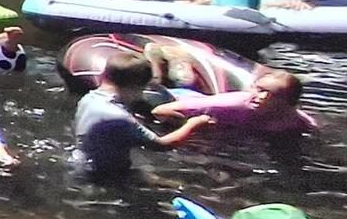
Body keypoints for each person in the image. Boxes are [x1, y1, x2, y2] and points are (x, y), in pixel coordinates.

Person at [75, 54, 206, 180]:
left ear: (104, 76)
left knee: (148, 177)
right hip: (107, 176)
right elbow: (162, 145)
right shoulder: (120, 118)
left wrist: (150, 113)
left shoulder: (88, 99)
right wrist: (193, 123)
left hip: (82, 164)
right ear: (136, 87)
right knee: (175, 185)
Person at [152, 66, 317, 141]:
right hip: (178, 98)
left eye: (273, 95)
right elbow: (160, 110)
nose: (261, 97)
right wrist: (194, 124)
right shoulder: (231, 105)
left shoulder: (298, 121)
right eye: (260, 90)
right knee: (180, 82)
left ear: (288, 103)